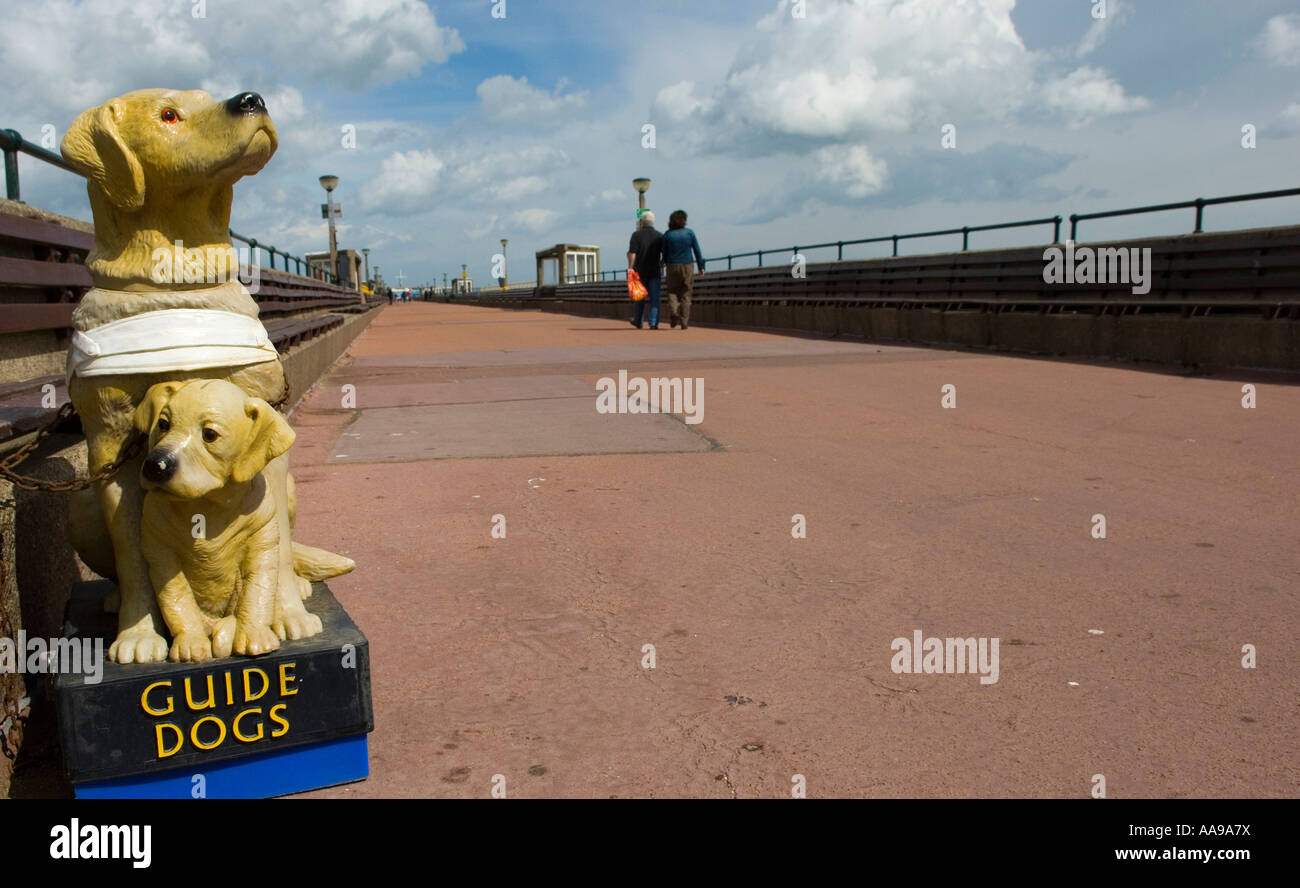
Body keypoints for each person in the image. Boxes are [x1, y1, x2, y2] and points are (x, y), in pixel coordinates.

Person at [661, 209, 704, 329]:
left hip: (672, 265)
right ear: (684, 220)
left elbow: (664, 252)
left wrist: (663, 263)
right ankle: (684, 322)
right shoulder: (689, 233)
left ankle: (674, 312)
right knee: (686, 292)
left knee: (672, 291)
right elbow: (697, 251)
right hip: (687, 265)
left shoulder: (667, 234)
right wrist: (701, 267)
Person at [627, 209, 663, 329]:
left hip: (640, 271)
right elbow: (664, 253)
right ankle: (653, 322)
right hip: (655, 270)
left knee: (639, 297)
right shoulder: (659, 236)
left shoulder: (636, 235)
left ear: (642, 222)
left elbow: (632, 253)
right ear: (653, 222)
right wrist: (662, 263)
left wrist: (630, 268)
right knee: (655, 298)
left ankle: (638, 321)